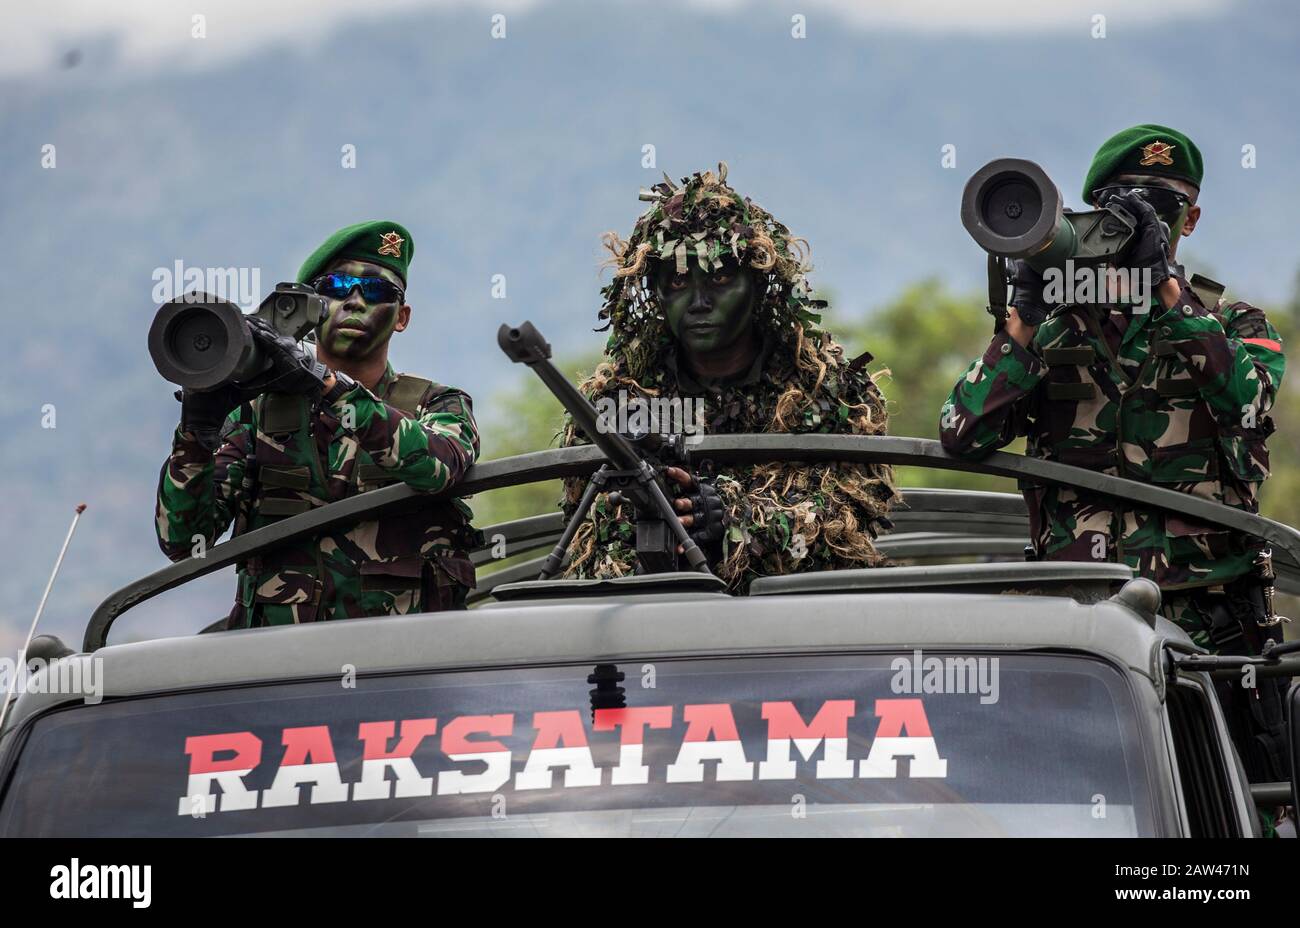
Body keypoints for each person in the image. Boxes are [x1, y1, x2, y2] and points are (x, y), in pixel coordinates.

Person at [939, 125, 1289, 801]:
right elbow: (961, 433)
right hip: (1079, 623)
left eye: (1163, 209)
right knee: (1063, 804)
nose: (1141, 224)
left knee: (1236, 803)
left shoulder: (1237, 327)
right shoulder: (1051, 326)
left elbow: (1248, 403)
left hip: (1208, 623)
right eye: (1124, 207)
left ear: (1191, 219)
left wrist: (1166, 288)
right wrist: (1024, 317)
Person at [561, 164, 896, 592]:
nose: (699, 302)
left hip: (802, 621)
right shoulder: (615, 400)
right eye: (679, 280)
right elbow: (585, 535)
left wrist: (731, 517)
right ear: (657, 294)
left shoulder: (831, 392)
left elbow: (846, 519)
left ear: (757, 286)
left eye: (720, 277)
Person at [155, 220, 481, 625]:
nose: (355, 302)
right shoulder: (256, 417)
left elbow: (440, 467)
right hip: (286, 667)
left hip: (406, 662)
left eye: (377, 291)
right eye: (336, 288)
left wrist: (327, 386)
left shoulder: (437, 405)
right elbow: (184, 542)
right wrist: (196, 437)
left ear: (402, 317)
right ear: (311, 309)